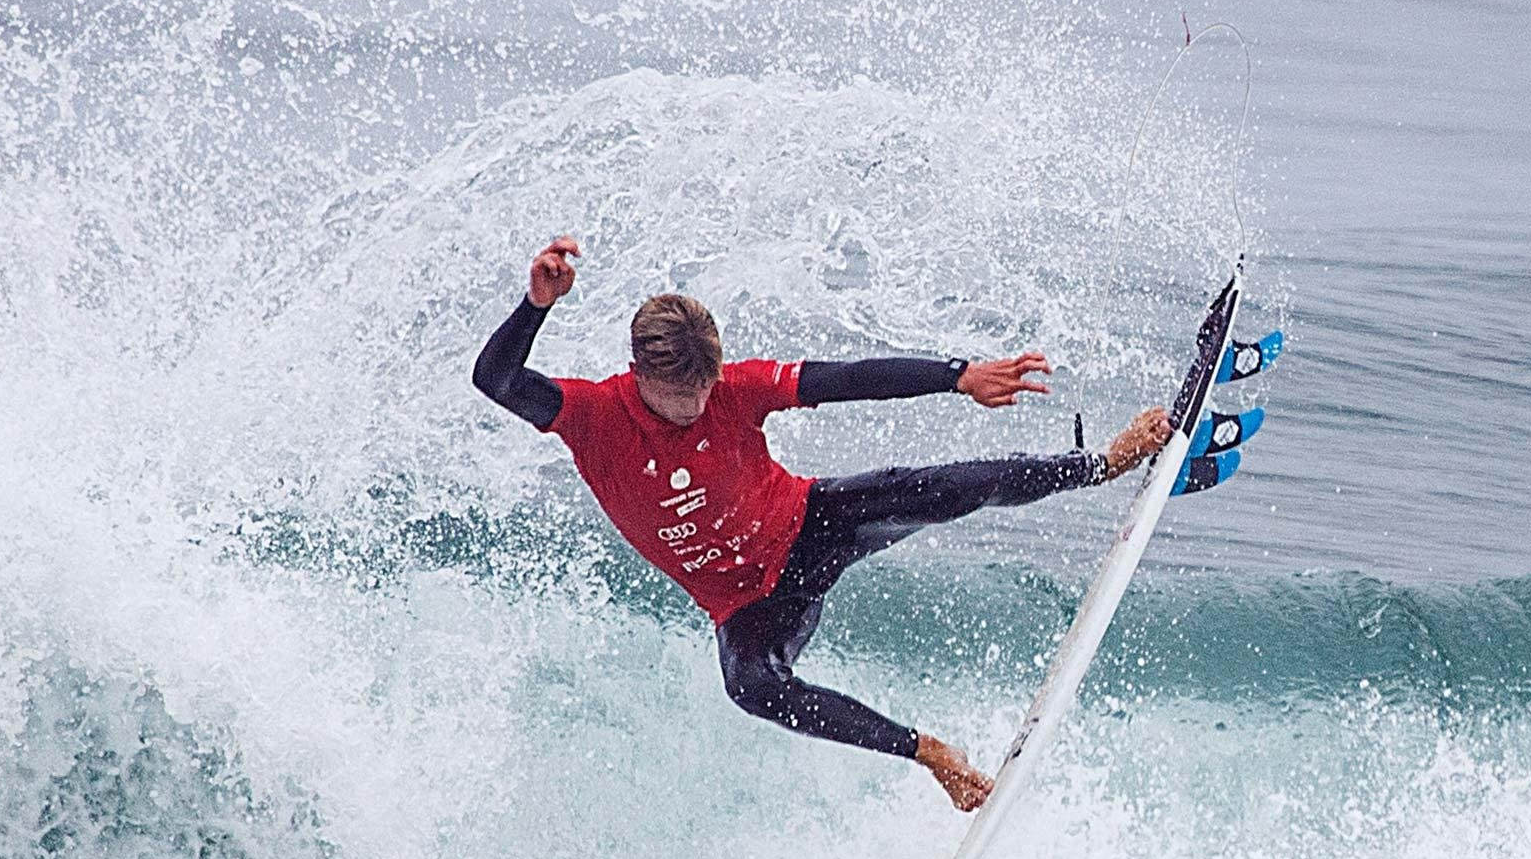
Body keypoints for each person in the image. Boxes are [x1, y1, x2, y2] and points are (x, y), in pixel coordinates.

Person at [473, 235, 1174, 811]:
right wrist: (536, 305)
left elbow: (845, 380)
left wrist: (957, 376)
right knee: (752, 687)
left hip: (811, 525)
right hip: (751, 604)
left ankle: (1104, 464)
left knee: (946, 486)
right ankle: (929, 753)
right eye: (676, 397)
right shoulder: (591, 416)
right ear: (637, 373)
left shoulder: (735, 388)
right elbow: (496, 381)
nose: (694, 407)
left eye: (703, 389)